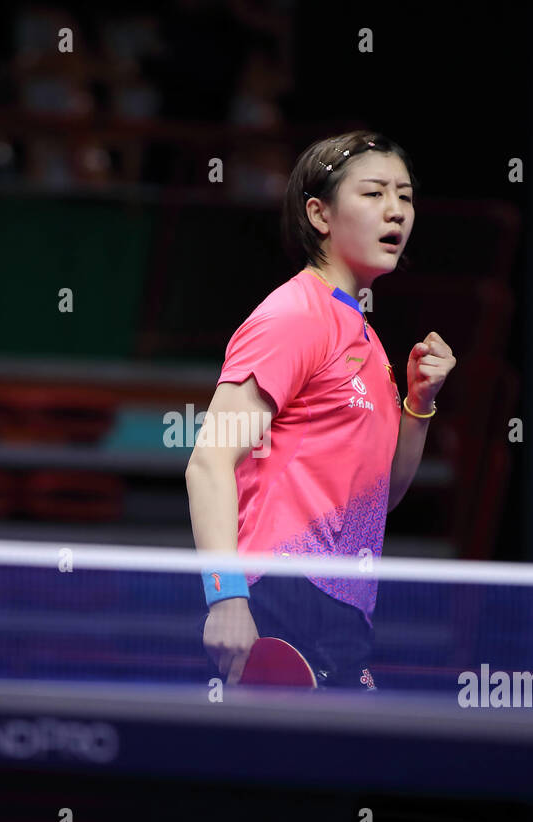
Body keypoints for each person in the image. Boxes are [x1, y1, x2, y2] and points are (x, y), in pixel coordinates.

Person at [186, 131, 456, 691]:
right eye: (374, 193)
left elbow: (385, 495)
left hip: (341, 606)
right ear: (320, 214)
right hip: (282, 592)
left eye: (404, 196)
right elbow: (209, 461)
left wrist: (419, 406)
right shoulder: (295, 316)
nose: (396, 211)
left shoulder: (364, 338)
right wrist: (226, 596)